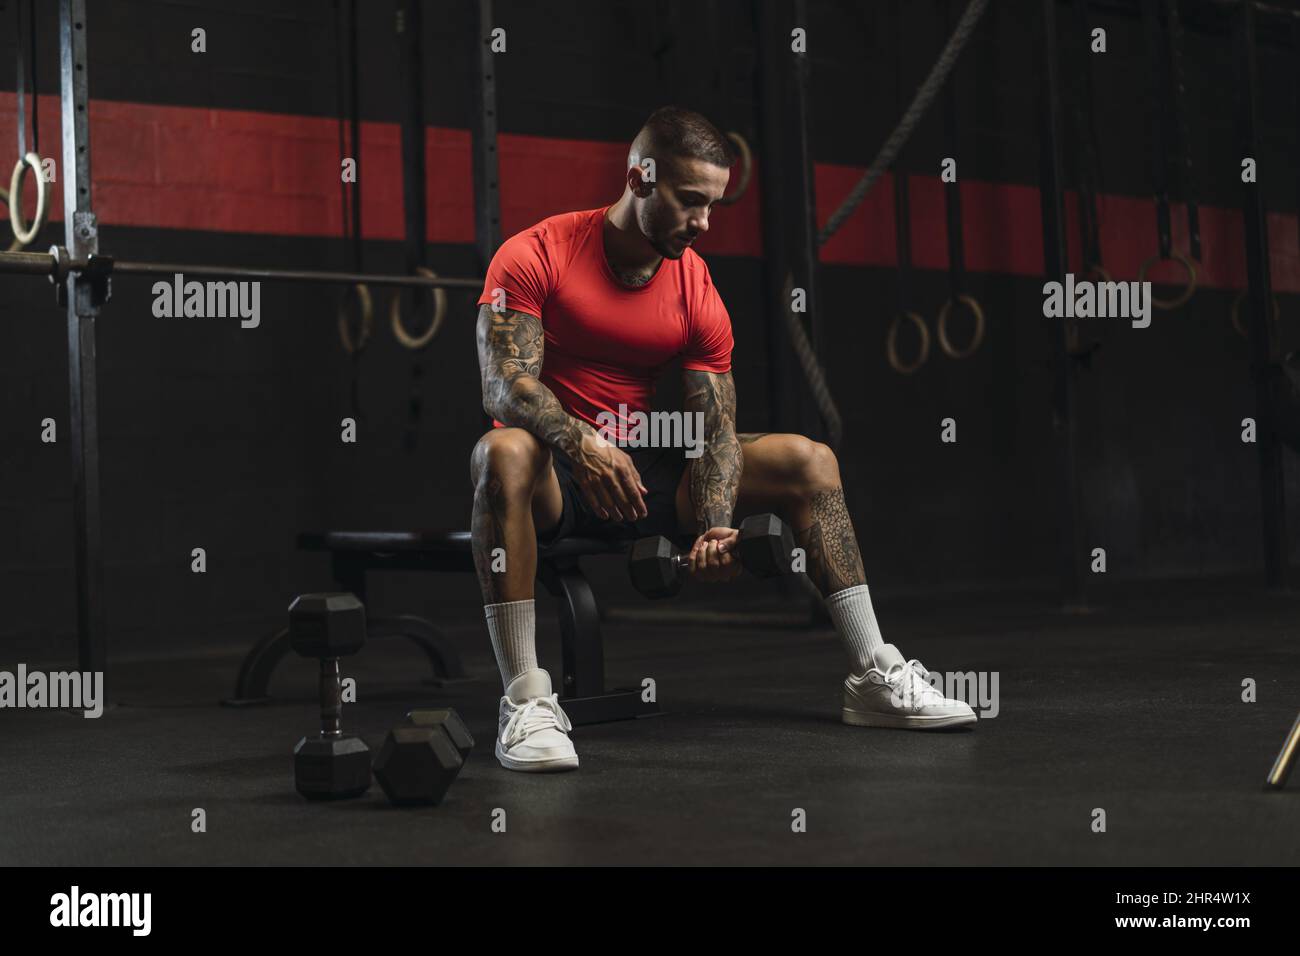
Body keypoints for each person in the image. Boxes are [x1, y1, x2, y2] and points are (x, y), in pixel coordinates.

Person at [471, 106, 975, 773]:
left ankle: (873, 672)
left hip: (645, 472)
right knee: (500, 450)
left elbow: (715, 426)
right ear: (639, 178)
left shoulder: (694, 282)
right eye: (690, 202)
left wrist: (711, 525)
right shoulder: (537, 252)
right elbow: (504, 387)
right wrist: (582, 443)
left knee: (808, 459)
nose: (704, 222)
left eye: (712, 205)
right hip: (555, 479)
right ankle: (526, 700)